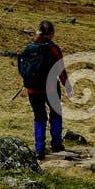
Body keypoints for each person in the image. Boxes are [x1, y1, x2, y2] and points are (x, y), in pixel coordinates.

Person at [17, 20, 67, 158]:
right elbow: (61, 70)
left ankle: (39, 149)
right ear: (51, 34)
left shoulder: (29, 48)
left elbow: (23, 68)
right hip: (51, 88)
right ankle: (56, 145)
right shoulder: (53, 49)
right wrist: (67, 86)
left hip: (32, 89)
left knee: (39, 117)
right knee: (56, 114)